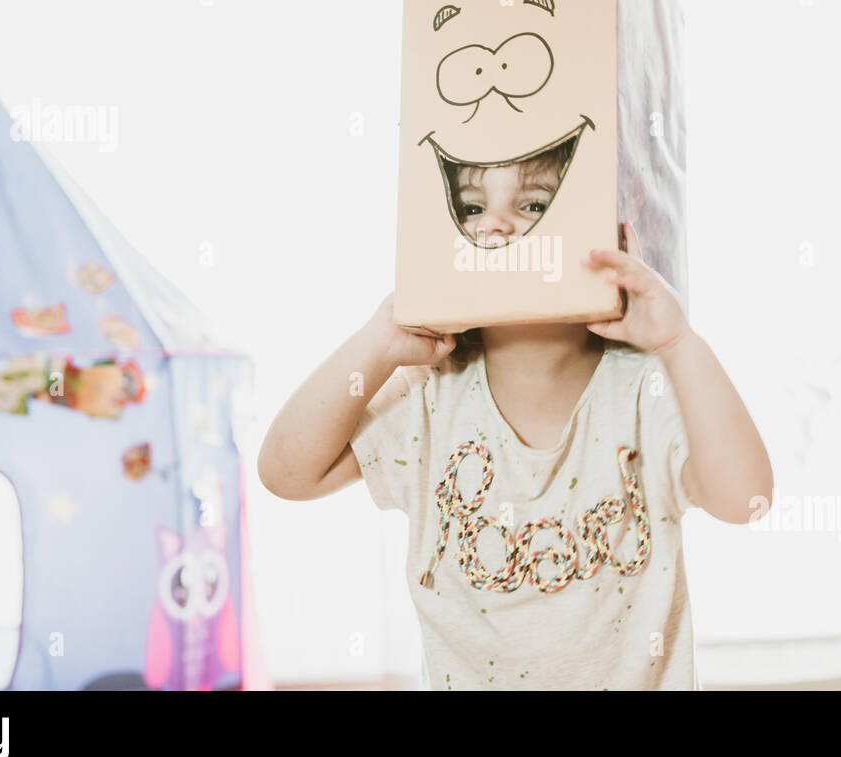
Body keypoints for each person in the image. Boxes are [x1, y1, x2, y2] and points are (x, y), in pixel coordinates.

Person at [258, 222, 771, 690]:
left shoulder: (645, 389)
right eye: (473, 206)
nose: (496, 224)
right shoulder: (429, 398)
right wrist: (377, 342)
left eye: (532, 204)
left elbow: (745, 499)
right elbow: (287, 473)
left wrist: (679, 343)